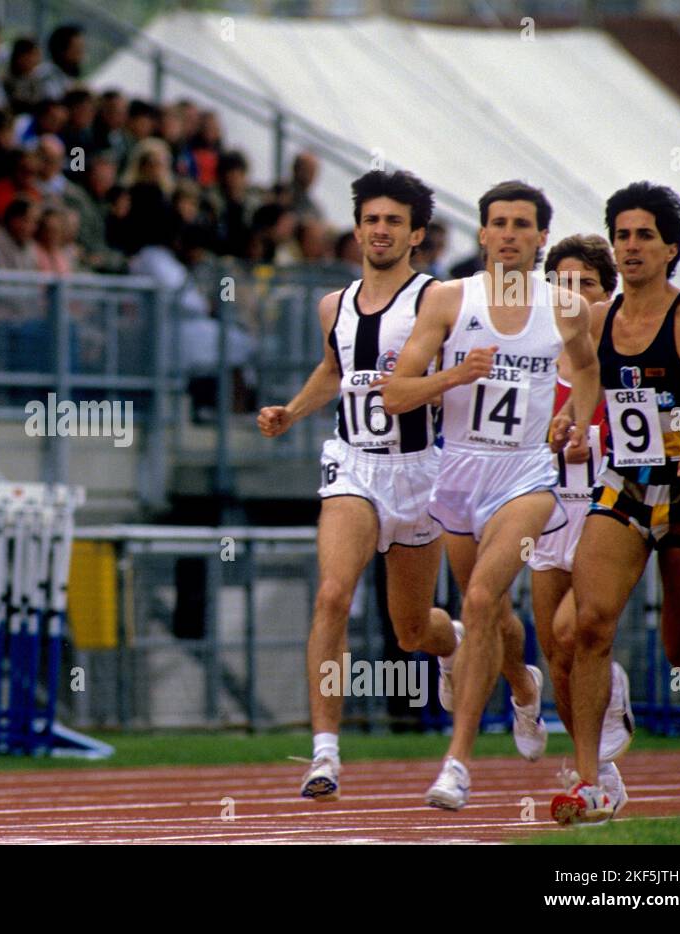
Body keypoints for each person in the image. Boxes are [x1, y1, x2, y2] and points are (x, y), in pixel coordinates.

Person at [381, 180, 600, 810]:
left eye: (522, 224)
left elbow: (585, 370)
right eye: (498, 223)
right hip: (455, 479)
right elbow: (396, 394)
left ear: (539, 238)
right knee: (496, 619)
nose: (508, 233)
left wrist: (576, 424)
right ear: (482, 234)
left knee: (479, 599)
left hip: (526, 477)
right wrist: (457, 373)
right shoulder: (449, 300)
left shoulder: (564, 307)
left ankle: (457, 763)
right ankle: (523, 689)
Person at [257, 170, 460, 800]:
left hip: (420, 472)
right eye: (371, 219)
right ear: (357, 227)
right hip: (353, 465)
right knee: (332, 595)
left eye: (393, 221)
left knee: (411, 631)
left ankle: (456, 645)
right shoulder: (334, 303)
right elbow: (333, 369)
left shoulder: (439, 300)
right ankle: (324, 755)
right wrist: (291, 410)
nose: (379, 230)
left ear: (416, 233)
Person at [555, 183, 680, 824]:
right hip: (624, 486)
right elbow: (584, 377)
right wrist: (573, 425)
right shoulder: (598, 321)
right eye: (622, 235)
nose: (630, 247)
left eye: (643, 236)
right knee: (588, 627)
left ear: (670, 248)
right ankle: (591, 781)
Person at [529, 234, 634, 812]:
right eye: (561, 284)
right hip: (548, 520)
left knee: (577, 634)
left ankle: (612, 686)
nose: (572, 296)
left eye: (585, 285)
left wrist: (589, 440)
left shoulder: (621, 360)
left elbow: (645, 437)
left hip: (607, 513)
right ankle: (599, 777)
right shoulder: (539, 364)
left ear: (606, 293)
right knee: (557, 655)